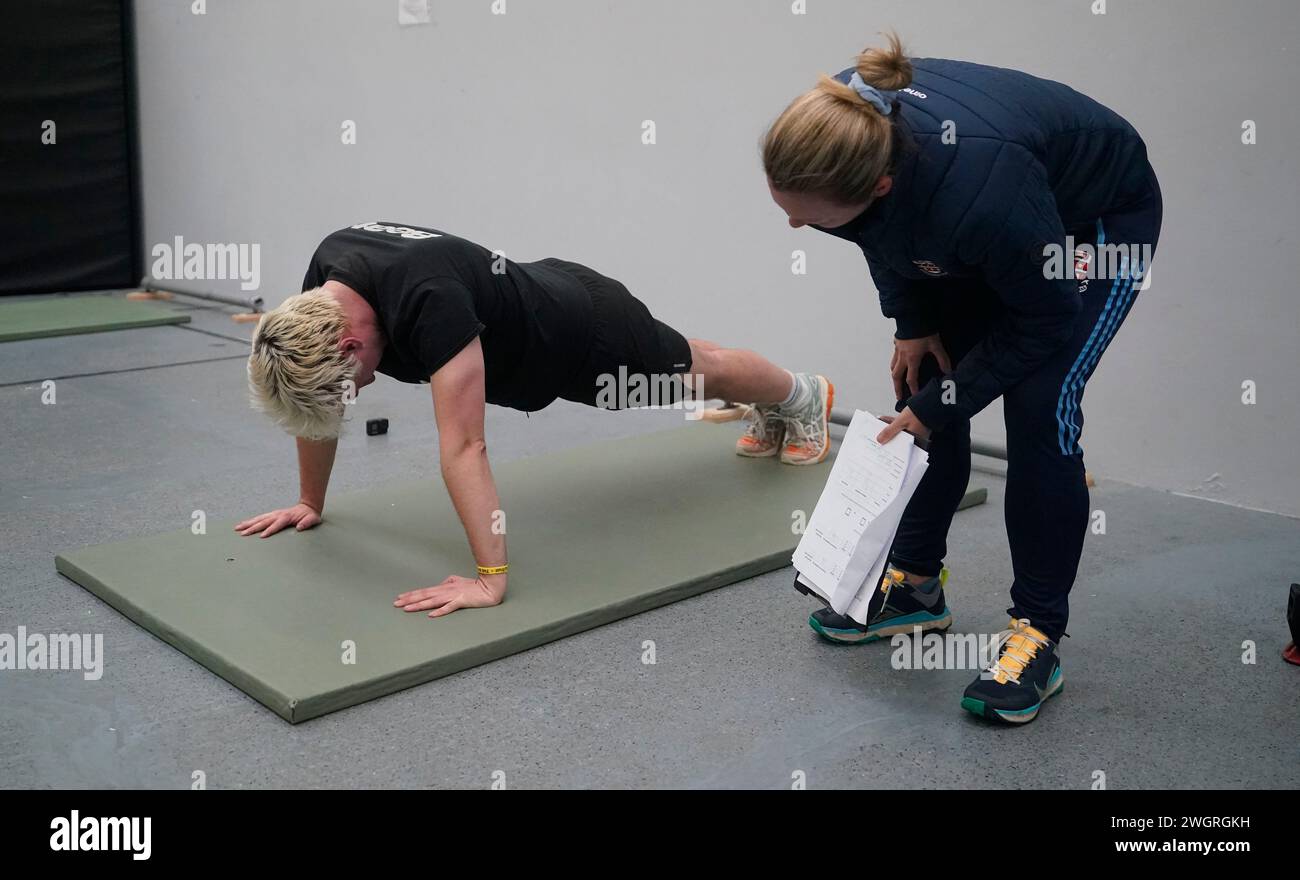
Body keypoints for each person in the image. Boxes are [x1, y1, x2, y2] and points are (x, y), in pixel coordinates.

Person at [763, 35, 1162, 724]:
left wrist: (941, 406)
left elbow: (1042, 319)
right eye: (786, 205)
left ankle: (1037, 632)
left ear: (879, 184)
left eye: (806, 212)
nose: (795, 224)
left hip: (1092, 223)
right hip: (998, 219)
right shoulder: (841, 119)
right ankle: (917, 589)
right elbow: (877, 235)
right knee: (924, 375)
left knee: (1040, 407)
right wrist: (911, 323)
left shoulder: (981, 194)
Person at [238, 220, 833, 618]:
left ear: (348, 347)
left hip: (584, 336)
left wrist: (490, 578)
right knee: (691, 359)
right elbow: (317, 403)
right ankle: (776, 399)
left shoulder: (428, 301)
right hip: (542, 299)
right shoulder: (325, 285)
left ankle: (801, 394)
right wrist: (309, 501)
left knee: (695, 371)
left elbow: (465, 447)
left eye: (349, 385)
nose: (355, 395)